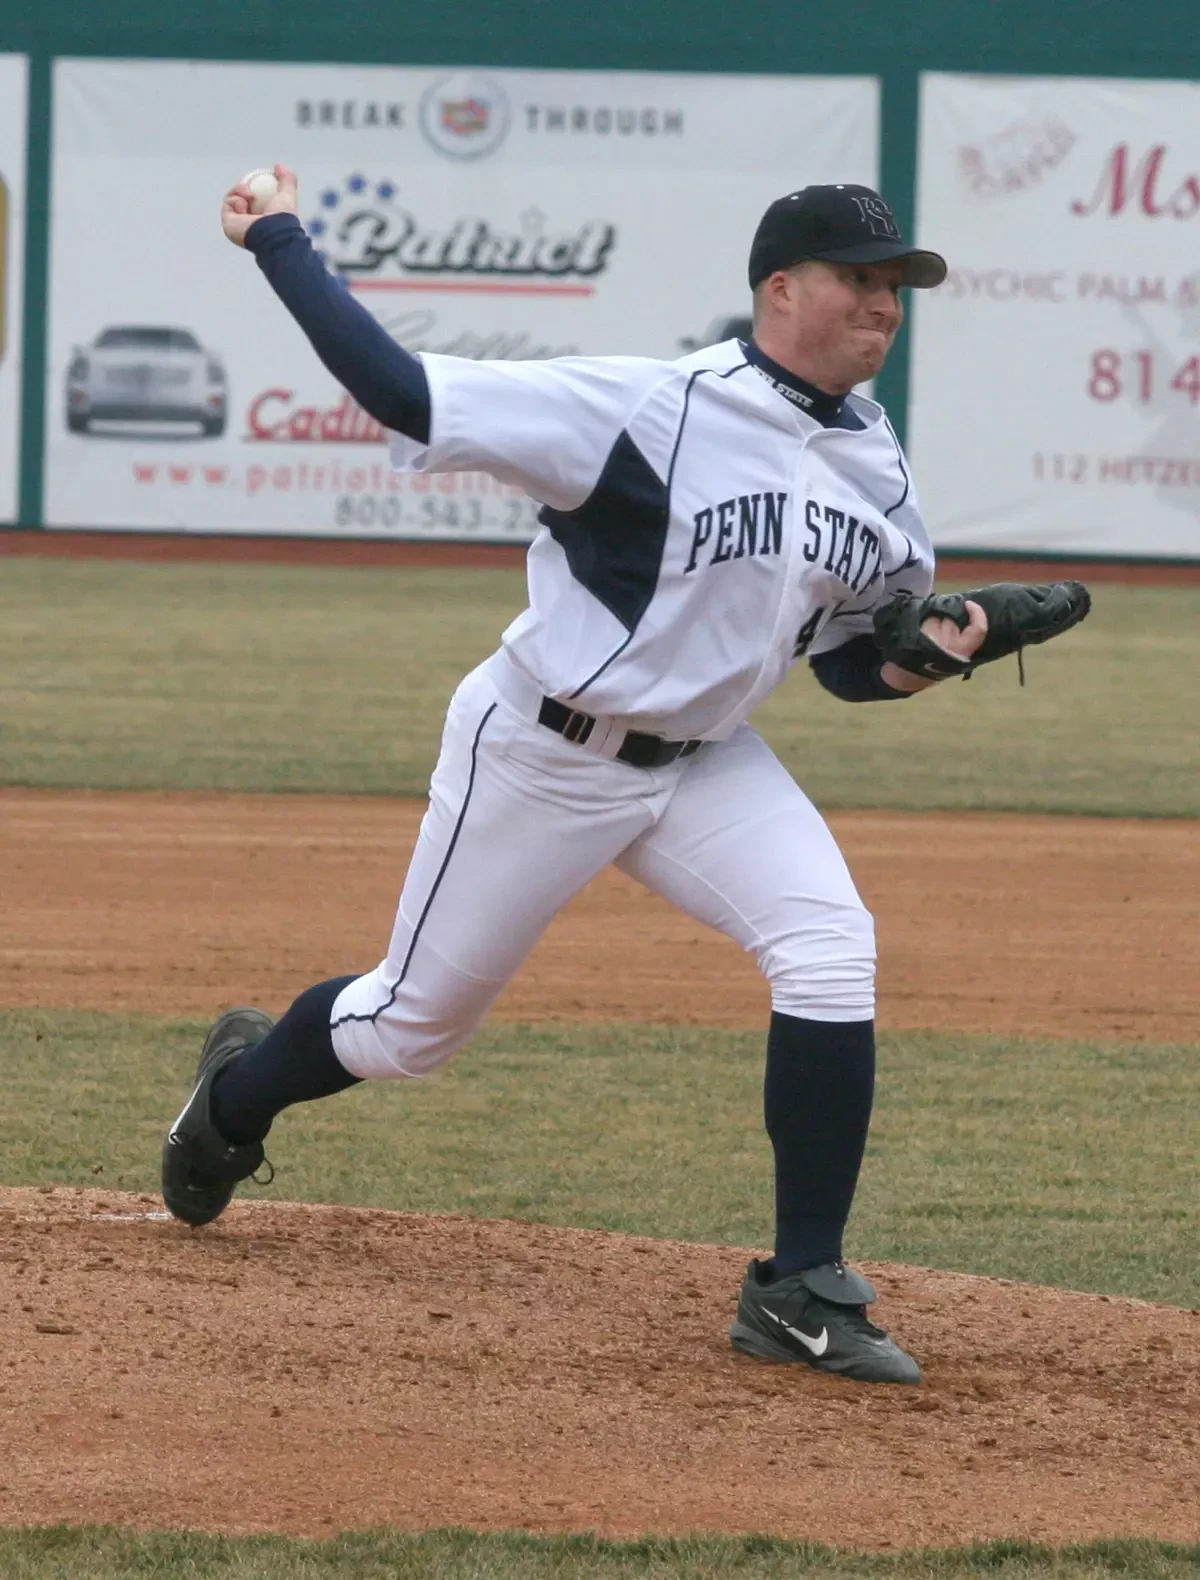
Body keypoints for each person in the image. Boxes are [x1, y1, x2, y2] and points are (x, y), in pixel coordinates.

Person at [162, 170, 1086, 1385]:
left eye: (896, 284)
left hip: (708, 761)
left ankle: (801, 1283)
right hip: (543, 747)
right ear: (780, 289)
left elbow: (853, 667)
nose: (884, 301)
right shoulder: (648, 407)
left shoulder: (875, 464)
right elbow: (401, 388)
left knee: (829, 943)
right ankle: (235, 1096)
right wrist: (277, 238)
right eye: (861, 278)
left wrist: (941, 650)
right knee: (409, 1027)